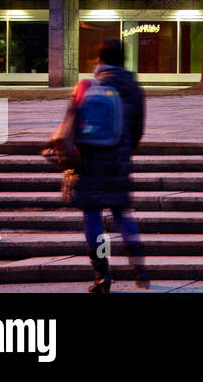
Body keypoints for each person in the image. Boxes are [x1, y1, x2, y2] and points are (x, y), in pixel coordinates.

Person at [61, 39, 148, 293]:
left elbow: (71, 124)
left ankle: (102, 274)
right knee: (122, 212)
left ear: (100, 59)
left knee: (92, 216)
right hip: (119, 160)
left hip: (89, 159)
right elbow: (138, 128)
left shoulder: (88, 86)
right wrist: (124, 151)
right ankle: (139, 265)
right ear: (124, 60)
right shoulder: (133, 87)